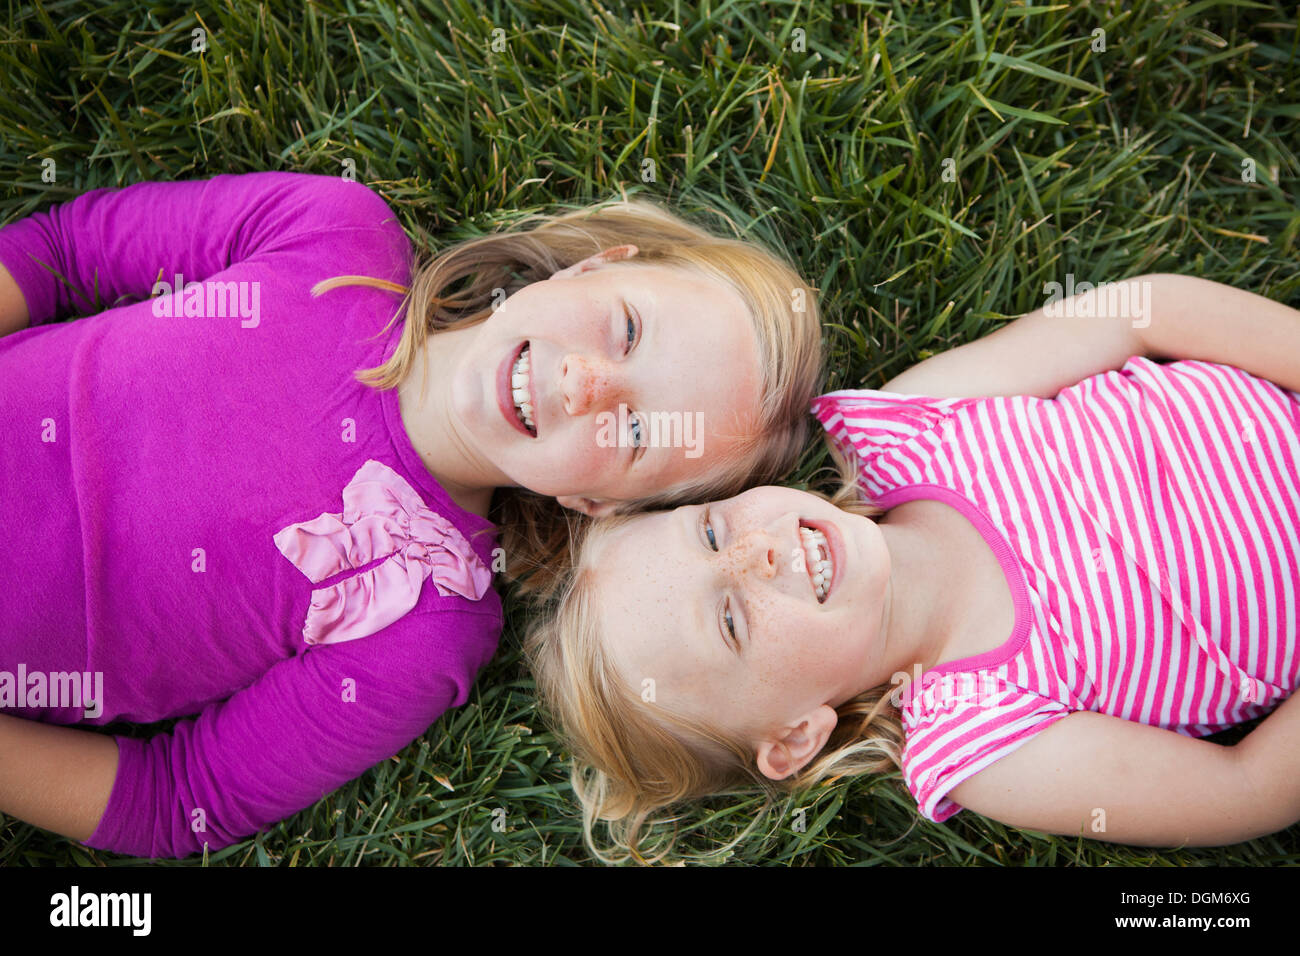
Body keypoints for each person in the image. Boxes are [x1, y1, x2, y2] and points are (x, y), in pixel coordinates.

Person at [0, 170, 822, 857]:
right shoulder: (333, 237)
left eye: (635, 431)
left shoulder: (425, 627)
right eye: (629, 330)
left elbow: (179, 799)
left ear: (599, 504)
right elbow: (62, 253)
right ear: (590, 268)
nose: (586, 385)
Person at [525, 273, 1300, 863]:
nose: (756, 554)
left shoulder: (913, 429)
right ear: (795, 735)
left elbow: (1139, 313)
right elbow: (1248, 788)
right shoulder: (983, 737)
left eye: (709, 532)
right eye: (730, 619)